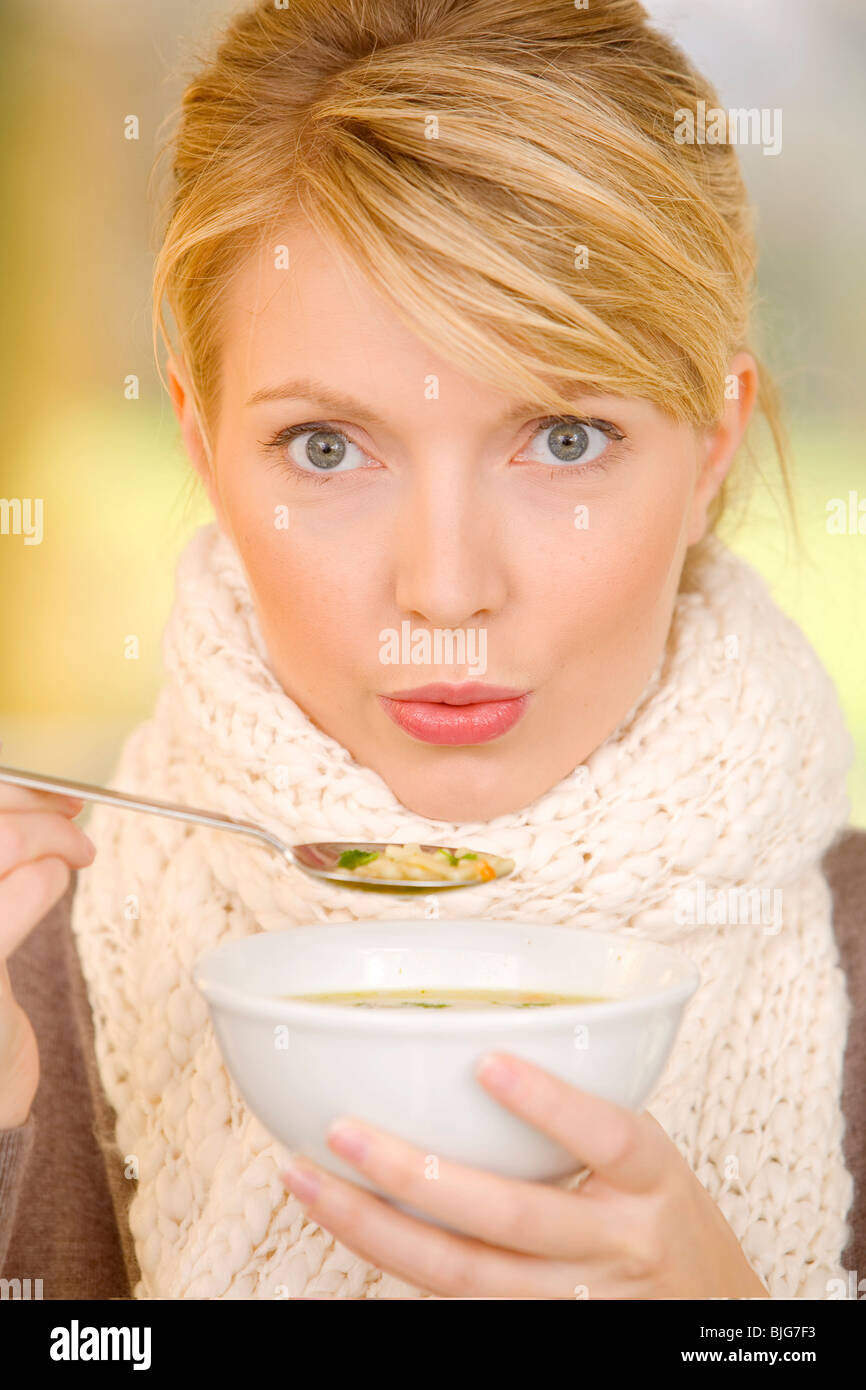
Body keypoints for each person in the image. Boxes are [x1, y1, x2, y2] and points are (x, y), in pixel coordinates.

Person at [1, 0, 863, 1300]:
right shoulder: (27, 983)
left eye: (563, 439)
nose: (444, 591)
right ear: (202, 445)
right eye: (326, 448)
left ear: (709, 450)